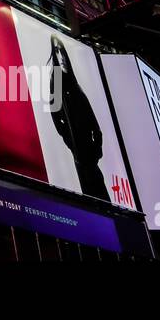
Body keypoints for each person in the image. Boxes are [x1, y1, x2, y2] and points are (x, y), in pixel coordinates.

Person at [47, 35, 108, 201]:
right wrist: (69, 140)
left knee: (98, 185)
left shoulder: (75, 86)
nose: (61, 56)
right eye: (57, 51)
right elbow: (55, 115)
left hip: (90, 148)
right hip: (79, 150)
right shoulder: (56, 81)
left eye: (62, 51)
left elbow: (90, 115)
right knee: (91, 188)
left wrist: (98, 142)